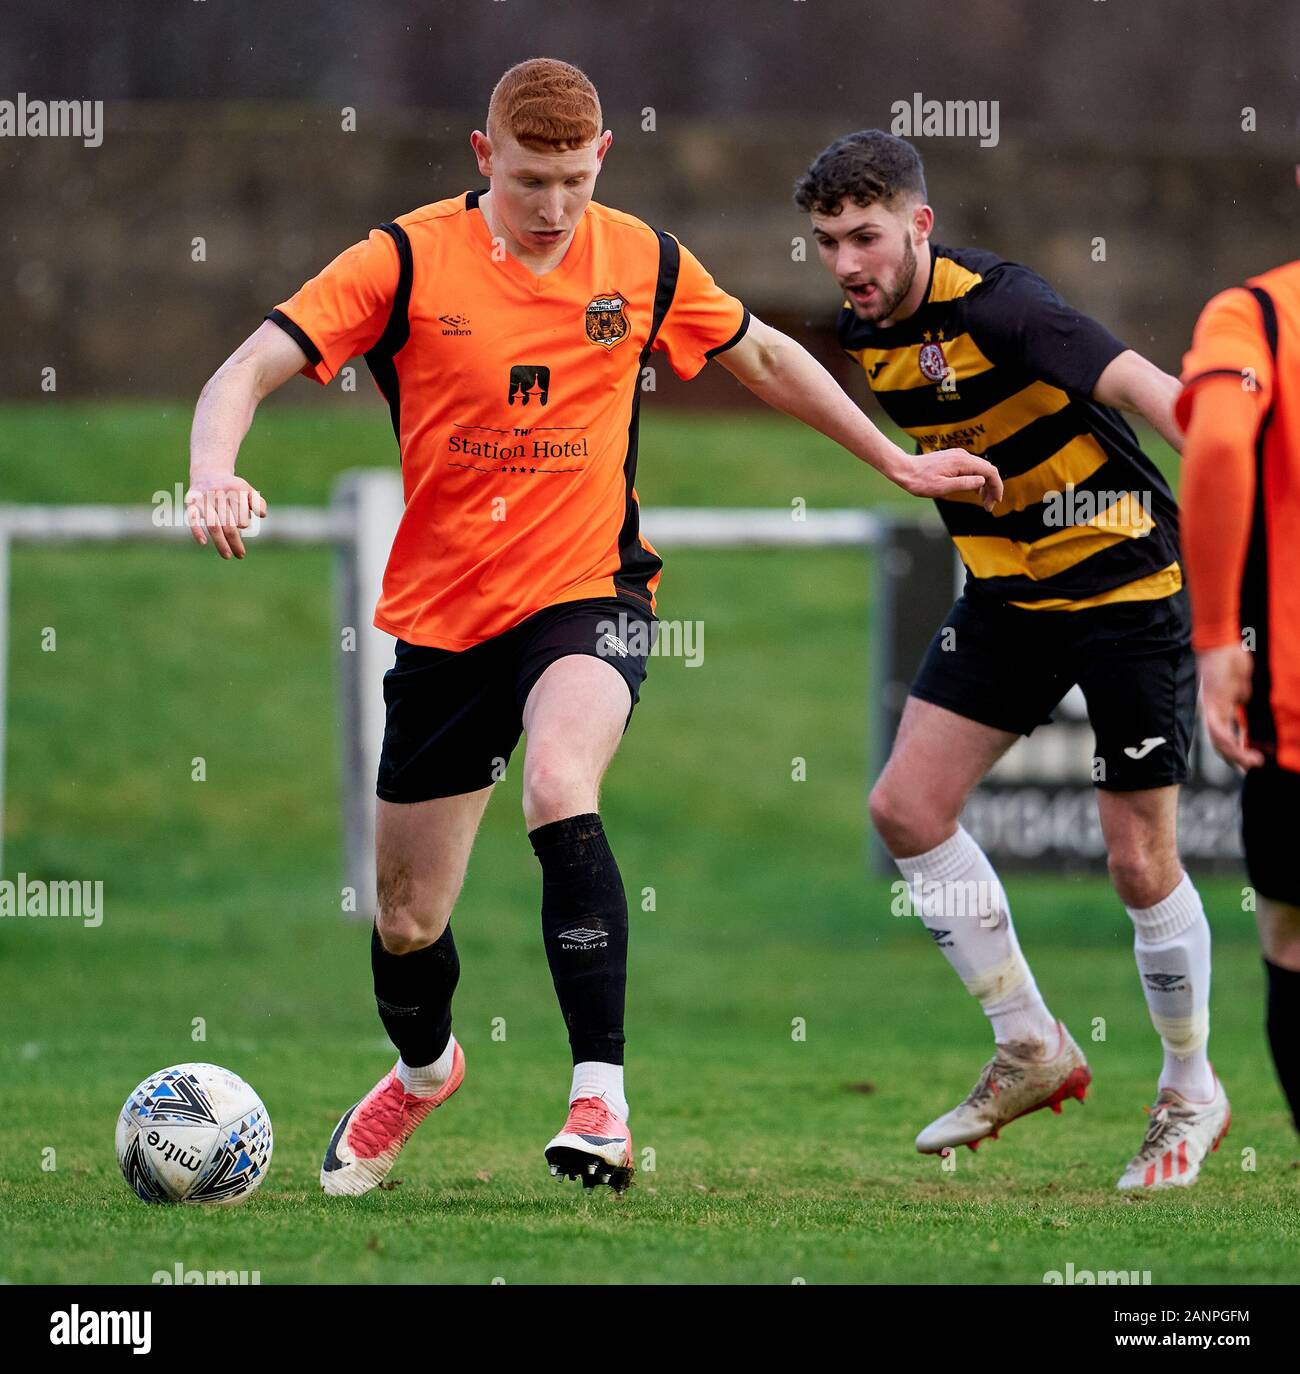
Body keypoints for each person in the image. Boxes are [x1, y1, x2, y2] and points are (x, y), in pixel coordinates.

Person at [186, 62, 999, 1197]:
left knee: (560, 783)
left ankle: (599, 1102)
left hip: (590, 595)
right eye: (529, 180)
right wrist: (211, 472)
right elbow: (248, 365)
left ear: (603, 156)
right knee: (410, 920)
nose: (554, 206)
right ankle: (424, 1074)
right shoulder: (406, 259)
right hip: (445, 619)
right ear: (483, 159)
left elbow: (762, 352)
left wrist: (895, 459)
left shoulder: (643, 259)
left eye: (573, 178)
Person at [797, 128, 1229, 1189]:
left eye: (865, 235)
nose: (848, 262)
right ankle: (1033, 1047)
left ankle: (1189, 1088)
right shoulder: (862, 333)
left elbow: (1149, 391)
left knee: (1137, 860)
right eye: (825, 242)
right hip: (1010, 598)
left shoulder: (1003, 304)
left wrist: (1251, 498)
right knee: (905, 808)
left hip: (1126, 586)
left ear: (919, 223)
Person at [1177, 255, 1300, 1138]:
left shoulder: (1257, 312)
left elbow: (1219, 443)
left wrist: (1219, 636)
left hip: (1293, 698)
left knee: (1291, 934)